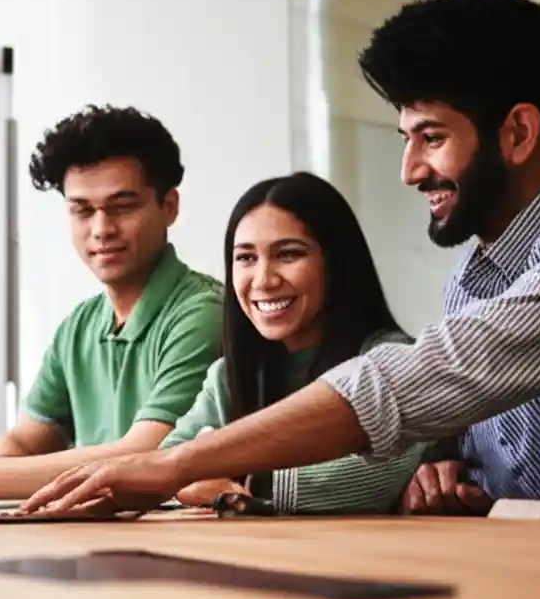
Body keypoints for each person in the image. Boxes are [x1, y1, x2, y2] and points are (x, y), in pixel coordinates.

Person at [22, 0, 540, 517]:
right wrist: (449, 472)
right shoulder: (473, 283)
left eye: (432, 137)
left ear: (517, 133)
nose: (410, 171)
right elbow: (472, 436)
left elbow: (412, 380)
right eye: (405, 138)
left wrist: (175, 464)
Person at [0, 105, 222, 495]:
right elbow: (25, 442)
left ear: (169, 207)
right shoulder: (80, 324)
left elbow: (142, 455)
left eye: (122, 207)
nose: (101, 229)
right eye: (82, 210)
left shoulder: (203, 313)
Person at [165, 172, 434, 514]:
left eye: (288, 254)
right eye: (246, 258)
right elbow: (168, 459)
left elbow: (373, 478)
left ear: (336, 262)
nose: (263, 279)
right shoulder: (228, 375)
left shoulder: (391, 360)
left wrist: (240, 486)